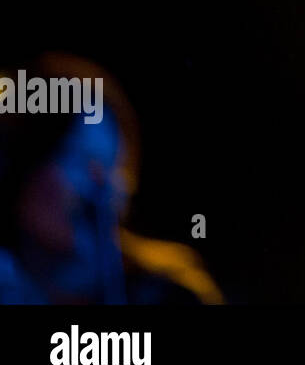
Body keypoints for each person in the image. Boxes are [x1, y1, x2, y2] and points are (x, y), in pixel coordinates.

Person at [0, 52, 223, 304]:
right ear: (17, 167)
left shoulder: (165, 291)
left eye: (112, 166)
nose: (102, 184)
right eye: (80, 160)